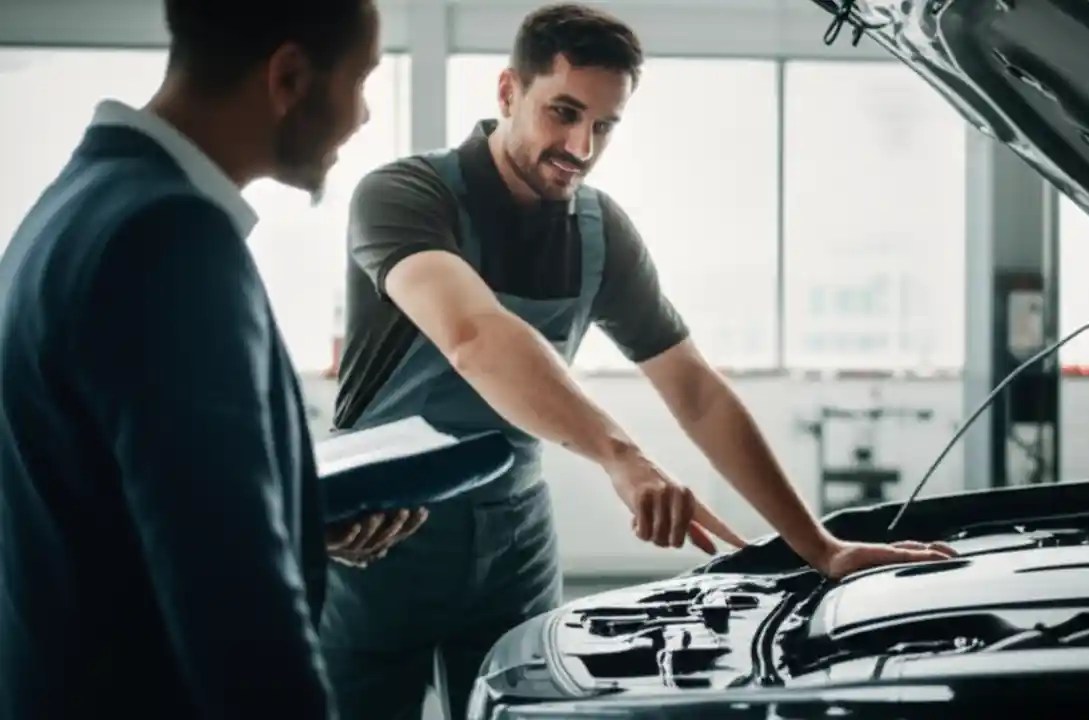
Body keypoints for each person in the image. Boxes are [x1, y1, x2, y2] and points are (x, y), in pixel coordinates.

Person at [322, 3, 956, 718]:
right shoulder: (405, 196)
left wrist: (821, 546)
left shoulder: (601, 234)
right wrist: (624, 457)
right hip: (380, 535)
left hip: (513, 537)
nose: (581, 146)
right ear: (507, 92)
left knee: (522, 709)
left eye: (604, 125)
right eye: (562, 112)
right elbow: (474, 336)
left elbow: (696, 392)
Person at [0, 1, 424, 717]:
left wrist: (289, 521)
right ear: (289, 76)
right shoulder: (171, 240)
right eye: (359, 81)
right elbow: (232, 600)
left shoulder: (72, 206)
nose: (361, 117)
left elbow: (102, 496)